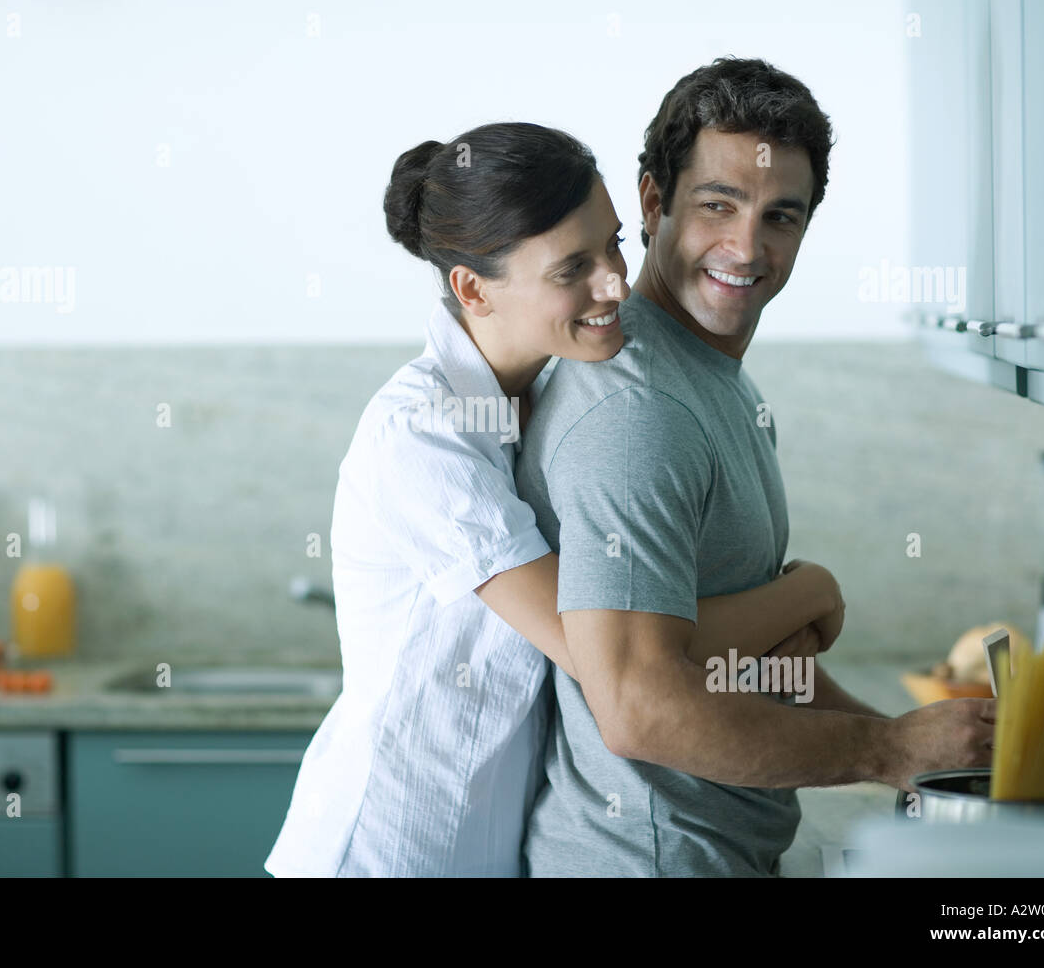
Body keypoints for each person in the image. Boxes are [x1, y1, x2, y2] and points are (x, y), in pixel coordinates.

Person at [265, 121, 845, 877]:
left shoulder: (543, 394)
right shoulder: (422, 436)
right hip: (389, 851)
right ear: (473, 288)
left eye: (614, 246)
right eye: (574, 266)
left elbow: (644, 632)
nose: (614, 284)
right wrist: (807, 592)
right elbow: (604, 654)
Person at [514, 57, 997, 877]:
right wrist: (881, 747)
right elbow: (640, 707)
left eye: (781, 216)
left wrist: (921, 747)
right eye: (718, 206)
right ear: (654, 201)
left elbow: (746, 669)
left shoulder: (708, 381)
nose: (747, 247)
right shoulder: (635, 411)